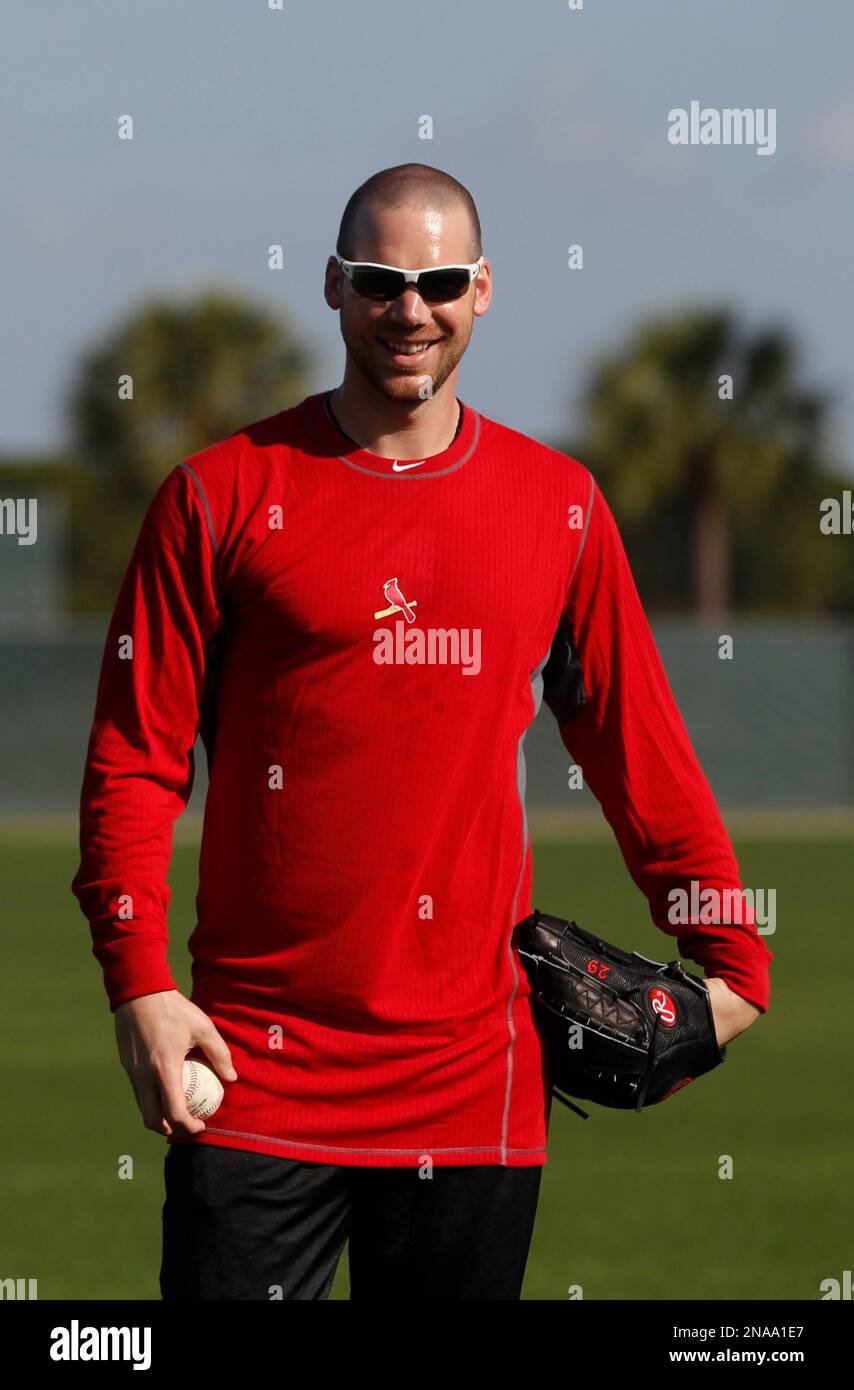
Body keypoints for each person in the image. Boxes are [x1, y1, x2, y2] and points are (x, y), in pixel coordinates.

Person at [71, 162, 772, 1301]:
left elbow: (635, 751)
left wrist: (734, 959)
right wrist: (138, 985)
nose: (411, 308)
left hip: (472, 1084)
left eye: (439, 280)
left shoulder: (557, 506)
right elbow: (137, 760)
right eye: (382, 281)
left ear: (482, 289)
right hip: (251, 1071)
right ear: (335, 287)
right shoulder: (218, 495)